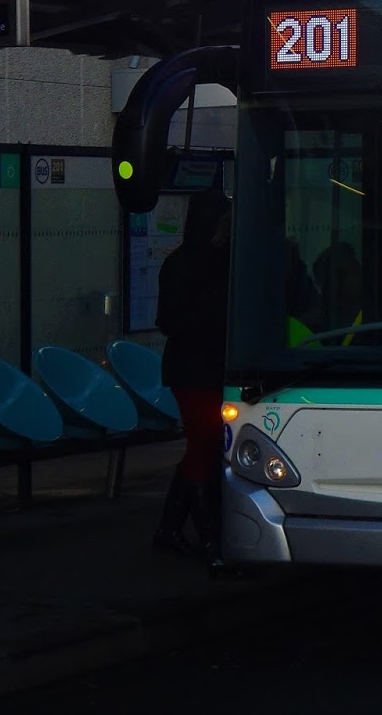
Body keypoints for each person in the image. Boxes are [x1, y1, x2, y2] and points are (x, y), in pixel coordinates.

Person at [153, 190, 232, 563]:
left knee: (204, 445)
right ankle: (207, 538)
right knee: (204, 444)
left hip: (199, 367)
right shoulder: (191, 264)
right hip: (196, 368)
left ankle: (172, 529)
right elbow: (169, 321)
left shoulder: (197, 261)